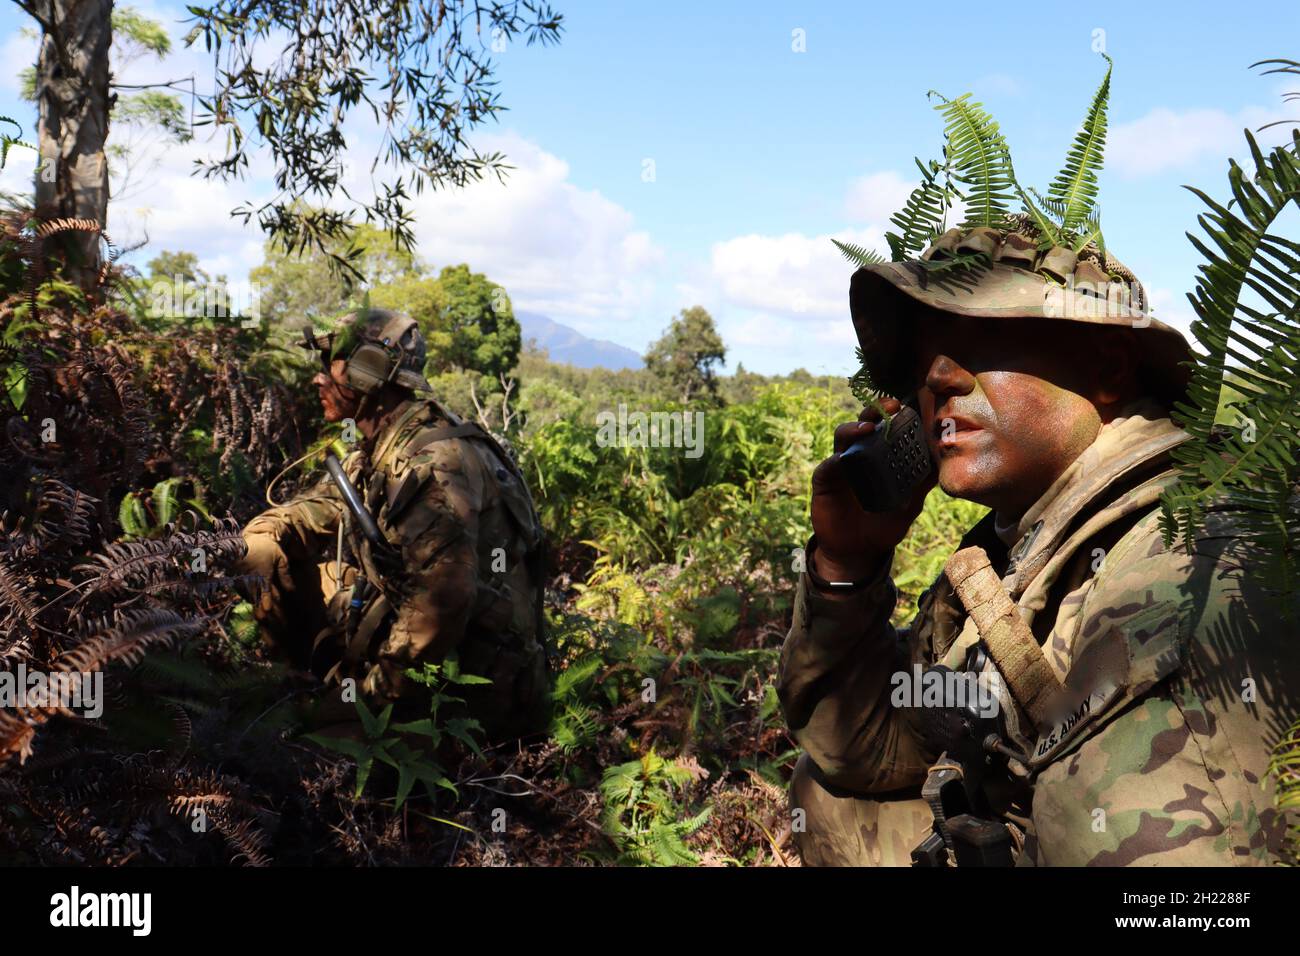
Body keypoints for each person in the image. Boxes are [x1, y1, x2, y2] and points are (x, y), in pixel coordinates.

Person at [779, 221, 1300, 866]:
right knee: (831, 796)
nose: (938, 376)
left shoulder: (1178, 572)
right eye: (924, 356)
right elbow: (867, 748)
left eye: (982, 335)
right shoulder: (1025, 548)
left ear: (1107, 368)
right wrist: (845, 568)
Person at [238, 308, 548, 740]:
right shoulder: (390, 442)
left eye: (331, 365)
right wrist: (266, 533)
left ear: (367, 372)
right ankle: (298, 687)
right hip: (438, 655)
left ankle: (324, 719)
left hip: (466, 696)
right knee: (268, 554)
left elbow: (440, 607)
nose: (318, 379)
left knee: (301, 749)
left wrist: (367, 699)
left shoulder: (435, 466)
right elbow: (322, 505)